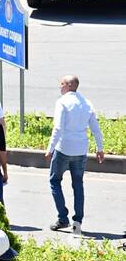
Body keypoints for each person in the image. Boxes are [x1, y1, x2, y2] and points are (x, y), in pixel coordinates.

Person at [46, 75, 103, 234]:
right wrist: (100, 148)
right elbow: (95, 128)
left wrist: (50, 149)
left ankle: (63, 218)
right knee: (78, 184)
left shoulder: (62, 102)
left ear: (69, 85)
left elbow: (57, 128)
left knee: (54, 180)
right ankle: (77, 221)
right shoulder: (87, 103)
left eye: (62, 84)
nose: (60, 87)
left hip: (63, 148)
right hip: (81, 150)